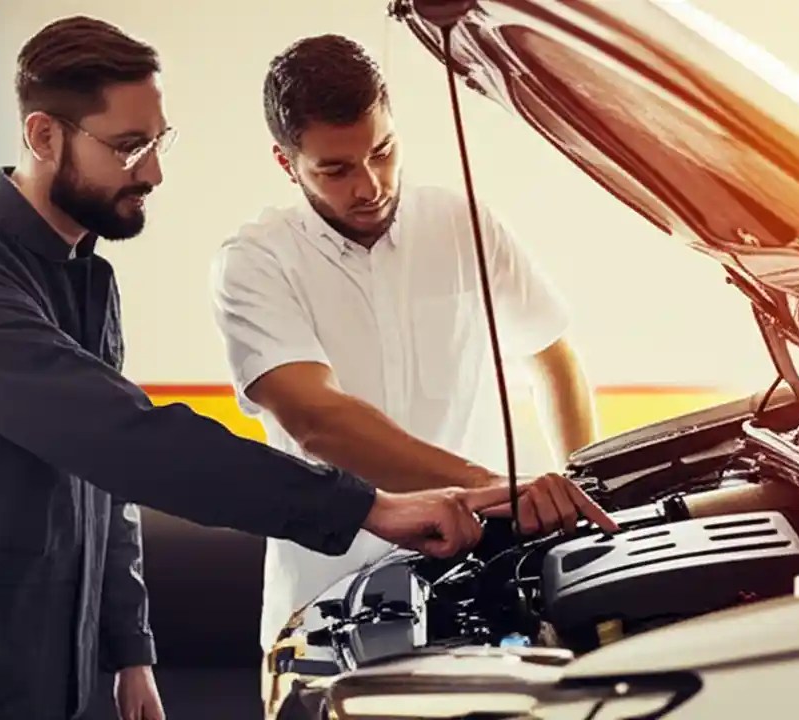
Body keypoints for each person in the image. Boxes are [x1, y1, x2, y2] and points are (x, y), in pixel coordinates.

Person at [0, 17, 524, 720]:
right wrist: (370, 507)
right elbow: (127, 441)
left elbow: (105, 488)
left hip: (63, 664)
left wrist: (129, 652)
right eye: (129, 146)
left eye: (158, 139)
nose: (154, 170)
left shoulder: (88, 278)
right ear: (45, 137)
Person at [209, 34, 616, 705]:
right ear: (287, 162)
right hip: (326, 614)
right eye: (335, 169)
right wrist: (493, 486)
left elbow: (554, 356)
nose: (369, 185)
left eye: (383, 151)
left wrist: (582, 487)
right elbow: (318, 421)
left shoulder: (464, 224)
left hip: (479, 582)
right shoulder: (253, 262)